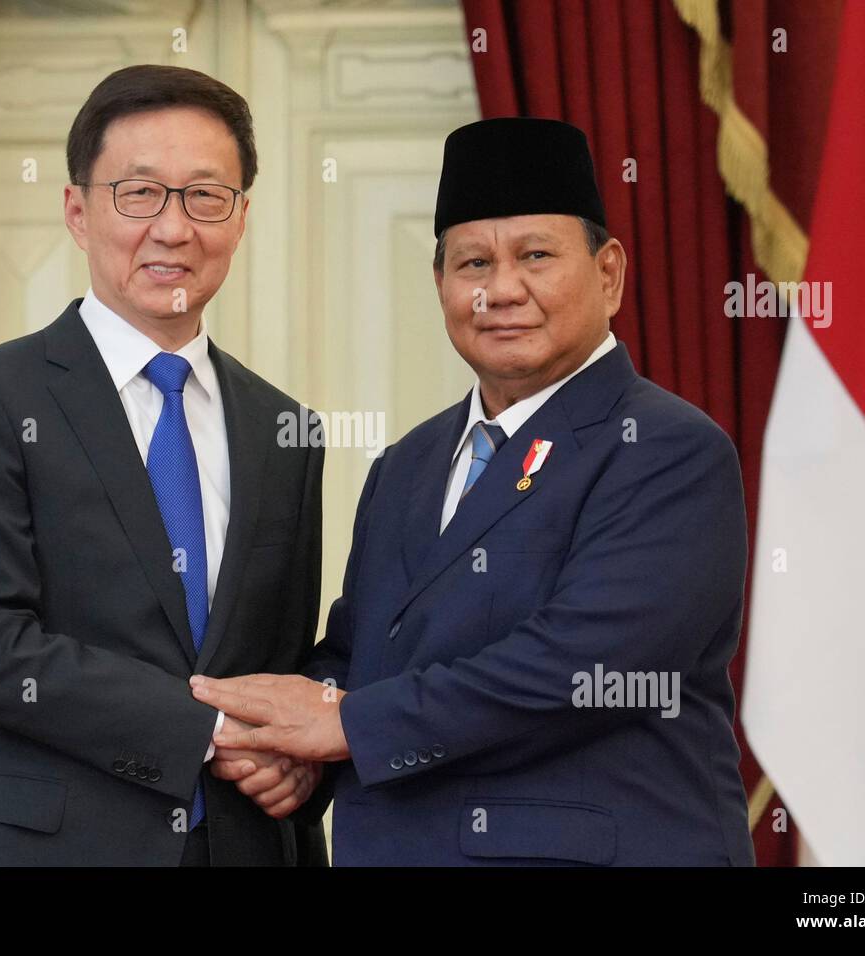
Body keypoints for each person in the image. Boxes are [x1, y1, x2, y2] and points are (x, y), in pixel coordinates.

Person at [193, 117, 755, 866]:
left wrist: (346, 724)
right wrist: (287, 747)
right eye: (472, 264)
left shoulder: (666, 450)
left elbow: (581, 669)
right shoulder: (408, 463)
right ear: (440, 285)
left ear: (610, 274)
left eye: (536, 256)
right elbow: (364, 654)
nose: (502, 290)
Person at [0, 65, 326, 866]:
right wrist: (209, 729)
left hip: (249, 845)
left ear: (240, 219)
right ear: (78, 211)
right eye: (139, 193)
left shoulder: (285, 428)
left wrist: (300, 760)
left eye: (207, 196)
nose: (173, 228)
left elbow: (282, 662)